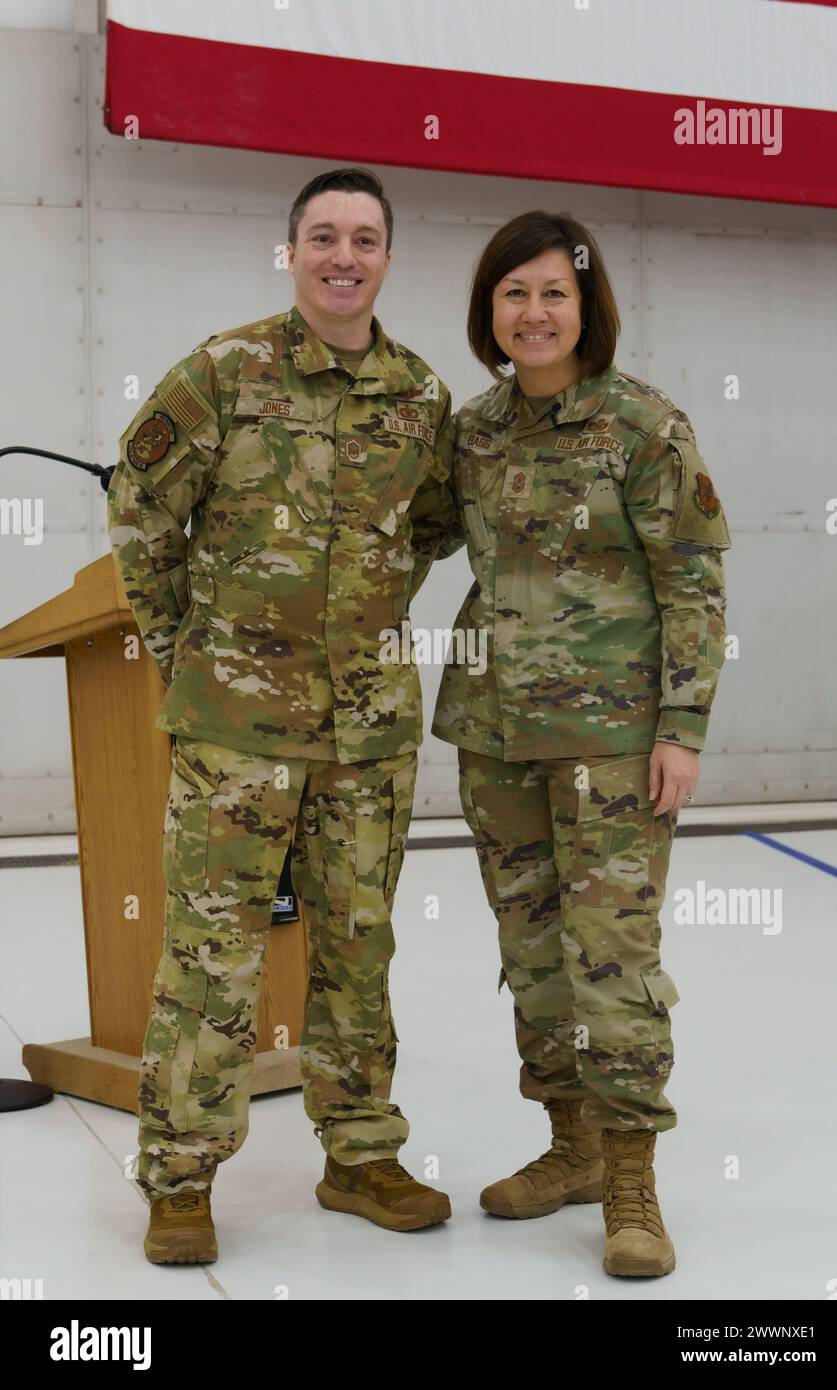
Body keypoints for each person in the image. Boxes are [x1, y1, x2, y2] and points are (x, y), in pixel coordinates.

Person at [107, 167, 456, 1263]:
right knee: (212, 959)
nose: (341, 255)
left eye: (363, 237)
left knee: (358, 948)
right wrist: (188, 650)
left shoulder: (420, 394)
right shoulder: (223, 371)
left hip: (367, 735)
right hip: (235, 733)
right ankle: (179, 1178)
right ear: (290, 251)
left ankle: (358, 1154)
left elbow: (432, 526)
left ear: (387, 257)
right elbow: (141, 509)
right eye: (321, 236)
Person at [431, 210, 731, 1278]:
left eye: (552, 291)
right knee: (531, 955)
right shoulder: (470, 431)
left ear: (584, 304)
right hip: (495, 734)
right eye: (512, 293)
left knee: (613, 961)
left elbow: (692, 582)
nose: (532, 312)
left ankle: (632, 1182)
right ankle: (567, 1148)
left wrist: (681, 730)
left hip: (612, 741)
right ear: (488, 311)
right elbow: (403, 532)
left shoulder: (640, 427)